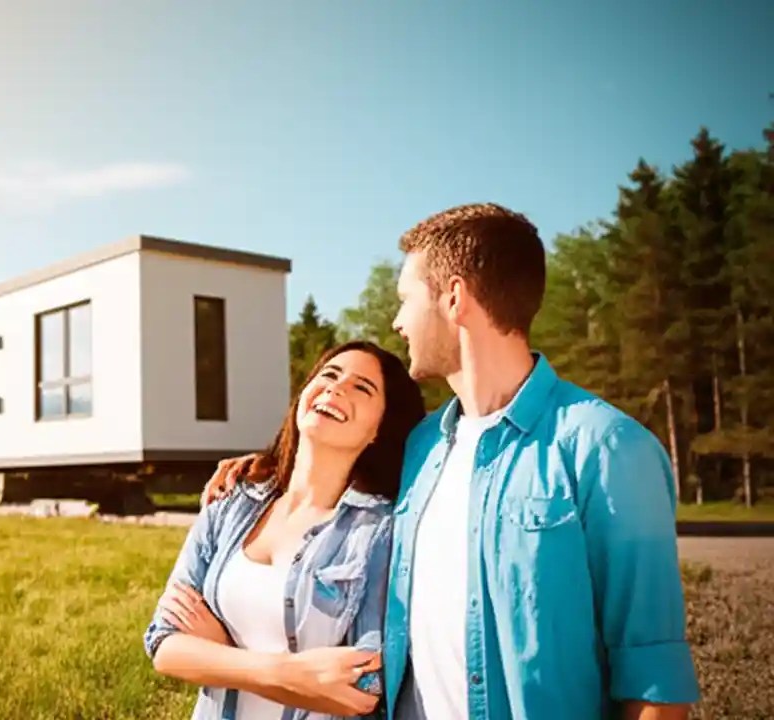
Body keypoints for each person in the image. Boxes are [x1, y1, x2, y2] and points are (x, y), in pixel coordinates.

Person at [203, 203, 699, 720]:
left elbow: (653, 675)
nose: (397, 322)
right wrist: (265, 465)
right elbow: (334, 467)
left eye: (405, 300)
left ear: (455, 298)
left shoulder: (607, 447)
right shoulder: (420, 447)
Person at [143, 340, 427, 719]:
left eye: (362, 387)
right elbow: (164, 642)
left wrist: (223, 655)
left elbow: (365, 688)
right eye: (329, 374)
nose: (336, 387)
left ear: (380, 428)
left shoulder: (378, 532)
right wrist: (290, 673)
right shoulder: (230, 503)